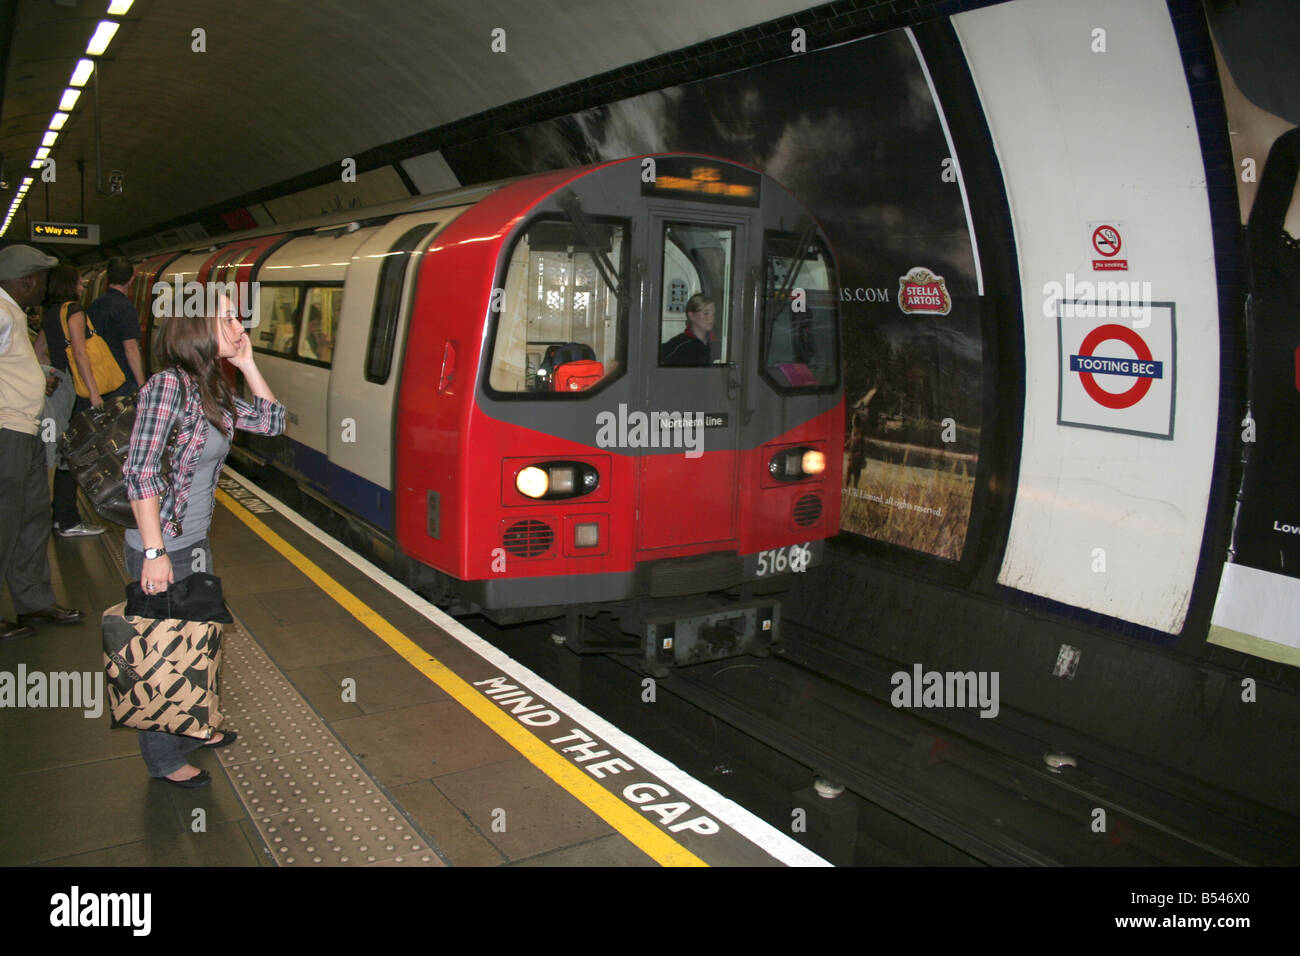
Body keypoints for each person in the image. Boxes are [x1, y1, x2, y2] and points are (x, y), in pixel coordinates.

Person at [123, 296, 285, 788]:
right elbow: (140, 472)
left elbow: (272, 423)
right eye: (228, 319)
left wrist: (248, 362)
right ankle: (165, 759)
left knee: (198, 642)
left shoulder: (207, 386)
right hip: (163, 545)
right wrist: (153, 554)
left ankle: (195, 728)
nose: (239, 325)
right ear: (198, 330)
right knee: (161, 654)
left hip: (193, 542)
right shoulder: (165, 387)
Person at [0, 245, 86, 641]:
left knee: (32, 516)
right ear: (28, 281)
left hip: (25, 430)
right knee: (5, 521)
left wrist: (36, 376)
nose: (44, 289)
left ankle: (33, 601)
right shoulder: (1, 314)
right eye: (42, 281)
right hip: (7, 433)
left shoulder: (13, 314)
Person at [38, 265, 104, 537]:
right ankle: (68, 520)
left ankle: (60, 517)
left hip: (61, 389)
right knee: (74, 453)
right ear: (70, 285)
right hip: (77, 392)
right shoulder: (74, 311)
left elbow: (39, 352)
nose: (81, 286)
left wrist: (51, 375)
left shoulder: (51, 314)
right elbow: (80, 353)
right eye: (79, 282)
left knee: (65, 450)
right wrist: (93, 391)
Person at [83, 256, 143, 403]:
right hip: (122, 379)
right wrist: (142, 383)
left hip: (99, 375)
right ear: (131, 279)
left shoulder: (95, 305)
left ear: (108, 277)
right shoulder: (125, 307)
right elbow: (131, 348)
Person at [660, 293, 718, 366]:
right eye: (706, 313)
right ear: (691, 316)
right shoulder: (679, 346)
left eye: (714, 314)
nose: (711, 318)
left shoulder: (718, 345)